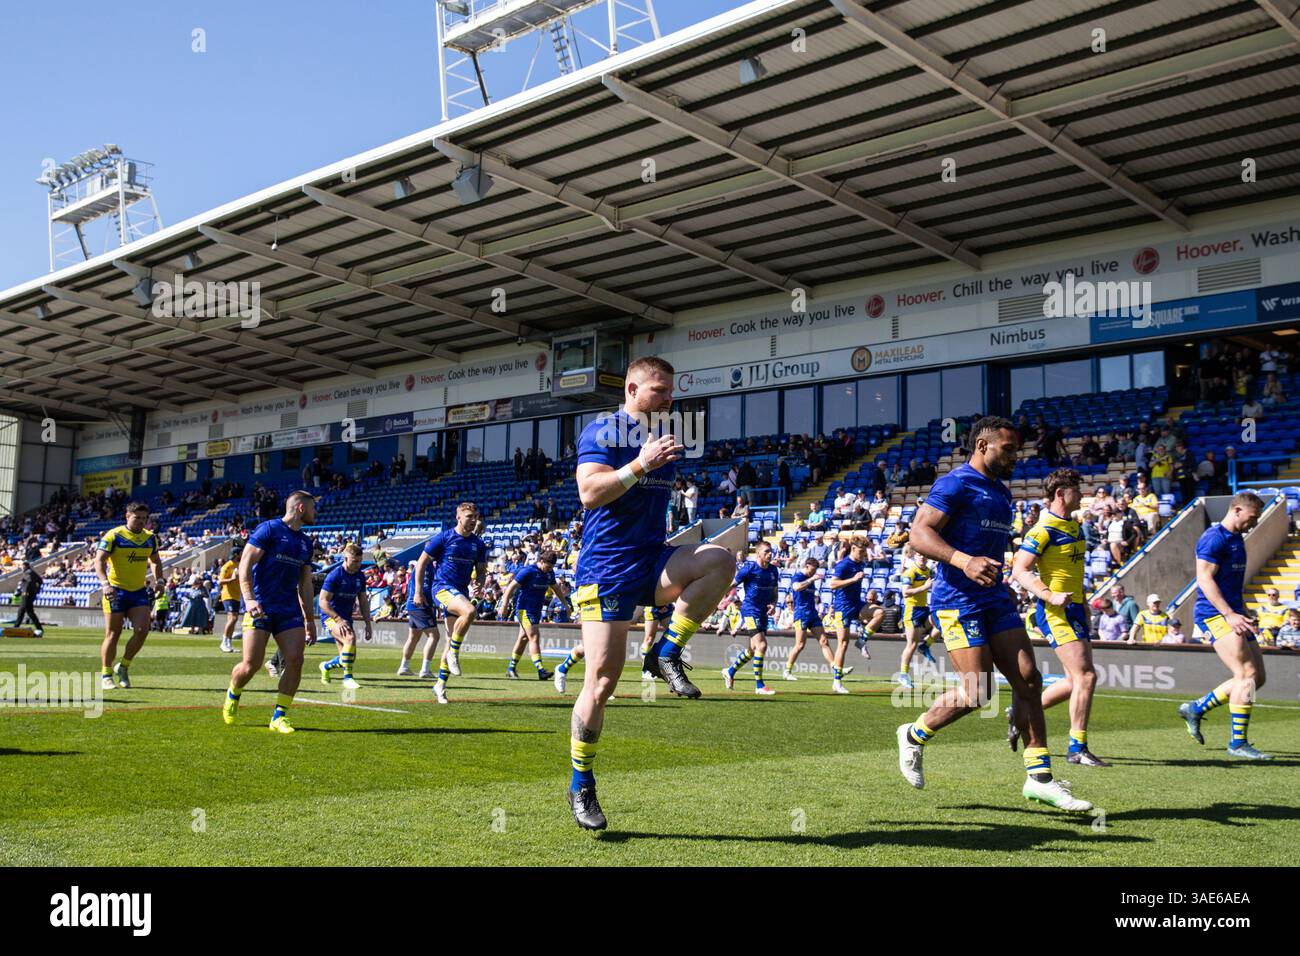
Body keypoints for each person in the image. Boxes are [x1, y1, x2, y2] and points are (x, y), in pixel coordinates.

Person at [565, 356, 735, 830]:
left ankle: (666, 652)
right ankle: (581, 786)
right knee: (600, 682)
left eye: (670, 391)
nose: (668, 398)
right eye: (659, 391)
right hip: (607, 568)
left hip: (651, 558)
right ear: (632, 389)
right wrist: (641, 464)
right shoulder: (603, 430)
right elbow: (589, 493)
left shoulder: (661, 437)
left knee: (720, 561)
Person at [898, 416, 1092, 811]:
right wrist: (962, 560)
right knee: (978, 692)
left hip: (995, 598)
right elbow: (919, 534)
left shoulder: (1002, 493)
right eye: (1008, 449)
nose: (1015, 456)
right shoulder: (955, 483)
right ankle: (913, 735)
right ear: (983, 446)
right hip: (956, 600)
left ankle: (1040, 779)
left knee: (1029, 680)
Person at [1011, 468, 1108, 767]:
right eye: (1077, 490)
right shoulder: (1043, 530)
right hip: (1055, 611)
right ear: (1060, 493)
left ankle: (1020, 714)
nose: (1081, 495)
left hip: (1076, 608)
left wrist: (1084, 604)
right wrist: (1049, 595)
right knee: (1086, 676)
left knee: (1073, 680)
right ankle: (1077, 749)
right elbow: (1020, 570)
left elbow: (1072, 571)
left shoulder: (1075, 526)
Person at [1177, 492, 1270, 759]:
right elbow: (1204, 580)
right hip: (1214, 615)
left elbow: (1232, 581)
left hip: (1234, 612)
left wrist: (1243, 610)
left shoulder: (1236, 537)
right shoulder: (1213, 538)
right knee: (1246, 674)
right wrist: (1229, 613)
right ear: (1237, 510)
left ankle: (1195, 708)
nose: (1253, 523)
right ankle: (1238, 743)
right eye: (1252, 518)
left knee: (1256, 678)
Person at [222, 491, 318, 733]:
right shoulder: (269, 529)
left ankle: (279, 716)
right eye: (313, 508)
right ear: (300, 509)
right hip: (261, 607)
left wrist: (310, 619)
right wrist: (250, 599)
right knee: (250, 664)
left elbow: (305, 584)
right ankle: (233, 693)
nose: (316, 513)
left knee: (295, 660)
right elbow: (245, 564)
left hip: (289, 610)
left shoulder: (306, 543)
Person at [415, 502, 489, 704]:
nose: (473, 520)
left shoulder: (478, 544)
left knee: (450, 639)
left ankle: (439, 685)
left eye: (475, 516)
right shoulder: (444, 537)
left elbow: (481, 571)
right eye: (469, 516)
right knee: (470, 611)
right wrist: (418, 591)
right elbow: (421, 563)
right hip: (441, 589)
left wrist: (479, 585)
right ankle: (454, 654)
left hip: (461, 592)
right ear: (458, 517)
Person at [95, 502, 165, 691]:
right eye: (137, 518)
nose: (141, 522)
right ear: (127, 516)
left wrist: (159, 581)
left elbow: (155, 561)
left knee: (142, 630)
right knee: (113, 634)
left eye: (144, 518)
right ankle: (106, 674)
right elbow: (99, 560)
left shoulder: (150, 538)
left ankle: (123, 667)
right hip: (116, 591)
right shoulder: (114, 536)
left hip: (138, 591)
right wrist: (105, 585)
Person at [720, 541, 781, 696]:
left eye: (771, 551)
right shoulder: (749, 568)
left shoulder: (774, 570)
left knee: (753, 650)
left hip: (762, 612)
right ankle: (759, 685)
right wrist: (720, 597)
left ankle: (730, 670)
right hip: (750, 610)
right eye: (766, 551)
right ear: (758, 553)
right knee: (762, 645)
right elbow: (732, 584)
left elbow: (775, 592)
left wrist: (773, 604)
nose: (770, 554)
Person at [500, 550, 567, 682]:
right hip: (524, 609)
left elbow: (556, 588)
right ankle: (541, 670)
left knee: (523, 638)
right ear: (541, 561)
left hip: (536, 610)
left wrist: (565, 604)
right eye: (548, 566)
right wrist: (504, 605)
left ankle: (511, 668)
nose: (550, 570)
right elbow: (511, 587)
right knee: (534, 636)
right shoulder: (528, 571)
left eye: (552, 567)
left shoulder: (549, 573)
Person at [825, 537, 877, 693]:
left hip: (856, 603)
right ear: (853, 549)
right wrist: (853, 579)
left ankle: (861, 641)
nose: (863, 555)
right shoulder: (844, 564)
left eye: (864, 552)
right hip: (843, 607)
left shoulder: (860, 563)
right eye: (861, 551)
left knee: (880, 612)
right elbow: (832, 584)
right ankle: (837, 682)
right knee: (843, 644)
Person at [317, 543, 372, 690]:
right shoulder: (335, 575)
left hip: (345, 618)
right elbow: (323, 602)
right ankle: (348, 678)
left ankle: (326, 666)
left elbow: (363, 601)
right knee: (350, 638)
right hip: (330, 617)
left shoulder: (360, 576)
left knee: (348, 657)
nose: (358, 565)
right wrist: (338, 619)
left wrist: (368, 624)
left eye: (360, 561)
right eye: (355, 561)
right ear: (346, 558)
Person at [782, 558, 840, 681]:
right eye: (812, 570)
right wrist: (811, 579)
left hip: (812, 614)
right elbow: (796, 587)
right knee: (800, 645)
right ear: (807, 566)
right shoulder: (798, 576)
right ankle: (787, 670)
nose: (814, 573)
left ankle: (836, 669)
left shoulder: (811, 579)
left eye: (815, 571)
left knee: (824, 642)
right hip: (801, 614)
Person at [897, 549, 937, 689]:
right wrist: (925, 587)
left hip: (923, 608)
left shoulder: (928, 571)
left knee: (940, 623)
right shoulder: (910, 572)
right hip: (912, 611)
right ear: (915, 556)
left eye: (925, 555)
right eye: (920, 555)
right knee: (911, 644)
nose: (922, 558)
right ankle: (903, 674)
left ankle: (925, 646)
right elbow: (905, 593)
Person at [397, 560, 442, 680]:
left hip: (412, 605)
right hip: (421, 605)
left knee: (413, 637)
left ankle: (404, 667)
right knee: (434, 636)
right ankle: (425, 669)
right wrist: (434, 602)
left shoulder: (422, 565)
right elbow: (426, 587)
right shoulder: (426, 567)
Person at [217, 548, 242, 653]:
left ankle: (229, 643)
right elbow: (220, 581)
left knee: (233, 619)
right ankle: (224, 642)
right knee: (233, 618)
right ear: (236, 554)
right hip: (228, 595)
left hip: (236, 595)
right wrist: (231, 579)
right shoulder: (227, 565)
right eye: (240, 553)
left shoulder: (238, 565)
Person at [13, 560, 43, 636]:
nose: (21, 568)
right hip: (27, 593)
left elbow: (28, 583)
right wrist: (37, 589)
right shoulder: (31, 572)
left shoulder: (28, 573)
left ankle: (39, 628)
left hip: (27, 594)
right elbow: (40, 580)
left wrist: (25, 590)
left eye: (22, 566)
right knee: (21, 610)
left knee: (29, 611)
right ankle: (16, 626)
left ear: (26, 566)